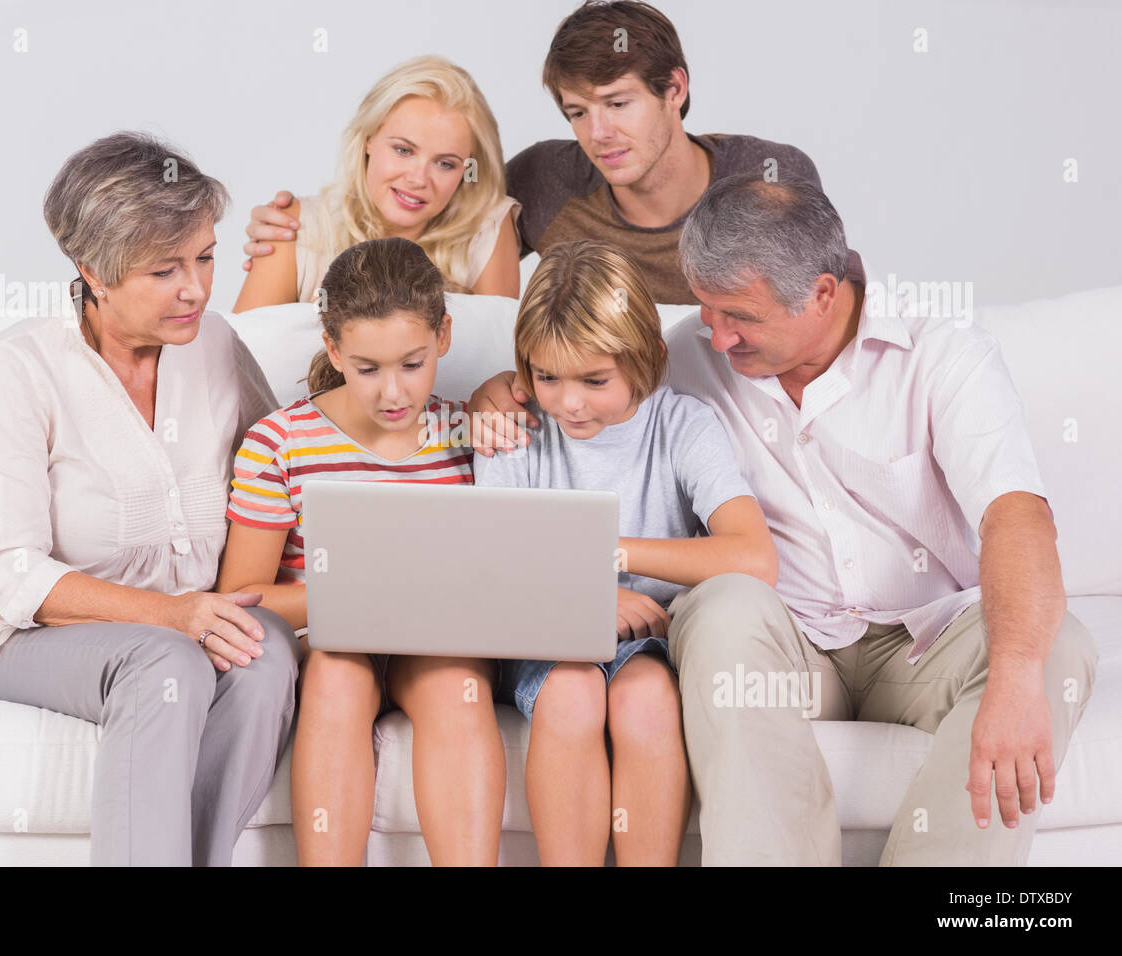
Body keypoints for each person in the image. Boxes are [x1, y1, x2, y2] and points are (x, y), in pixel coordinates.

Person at [469, 175, 1099, 865]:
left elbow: (1017, 522)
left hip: (925, 642)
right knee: (727, 604)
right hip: (785, 647)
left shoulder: (944, 356)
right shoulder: (692, 355)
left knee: (1052, 646)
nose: (715, 332)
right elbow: (588, 372)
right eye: (705, 308)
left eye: (738, 314)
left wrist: (1012, 679)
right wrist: (498, 390)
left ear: (821, 294)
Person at [0, 132, 301, 867]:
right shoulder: (20, 368)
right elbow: (10, 573)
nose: (195, 287)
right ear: (91, 270)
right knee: (168, 665)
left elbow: (285, 463)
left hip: (185, 627)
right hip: (19, 635)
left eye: (205, 257)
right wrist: (172, 615)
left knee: (267, 659)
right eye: (165, 269)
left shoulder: (218, 345)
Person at [474, 240, 776, 865]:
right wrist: (585, 602)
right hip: (545, 639)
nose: (570, 402)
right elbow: (495, 563)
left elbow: (752, 558)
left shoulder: (683, 426)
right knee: (572, 694)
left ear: (649, 359)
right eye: (547, 377)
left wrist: (605, 555)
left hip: (650, 642)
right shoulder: (512, 428)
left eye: (594, 380)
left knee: (646, 699)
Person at [218, 237, 506, 865]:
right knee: (335, 677)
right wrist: (350, 594)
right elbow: (241, 598)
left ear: (444, 338)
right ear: (333, 350)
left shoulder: (471, 435)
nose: (393, 393)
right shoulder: (281, 442)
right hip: (329, 641)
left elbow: (509, 566)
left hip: (439, 642)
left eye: (413, 363)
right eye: (367, 367)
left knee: (455, 683)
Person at [240, 1, 821, 305]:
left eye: (618, 103)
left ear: (675, 89)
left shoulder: (768, 176)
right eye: (577, 112)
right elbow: (444, 221)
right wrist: (294, 233)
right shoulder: (545, 179)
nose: (598, 134)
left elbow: (833, 306)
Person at [232, 55, 520, 312]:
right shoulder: (295, 226)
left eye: (445, 164)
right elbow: (242, 362)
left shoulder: (488, 226)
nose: (418, 179)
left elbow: (502, 364)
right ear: (368, 139)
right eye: (403, 150)